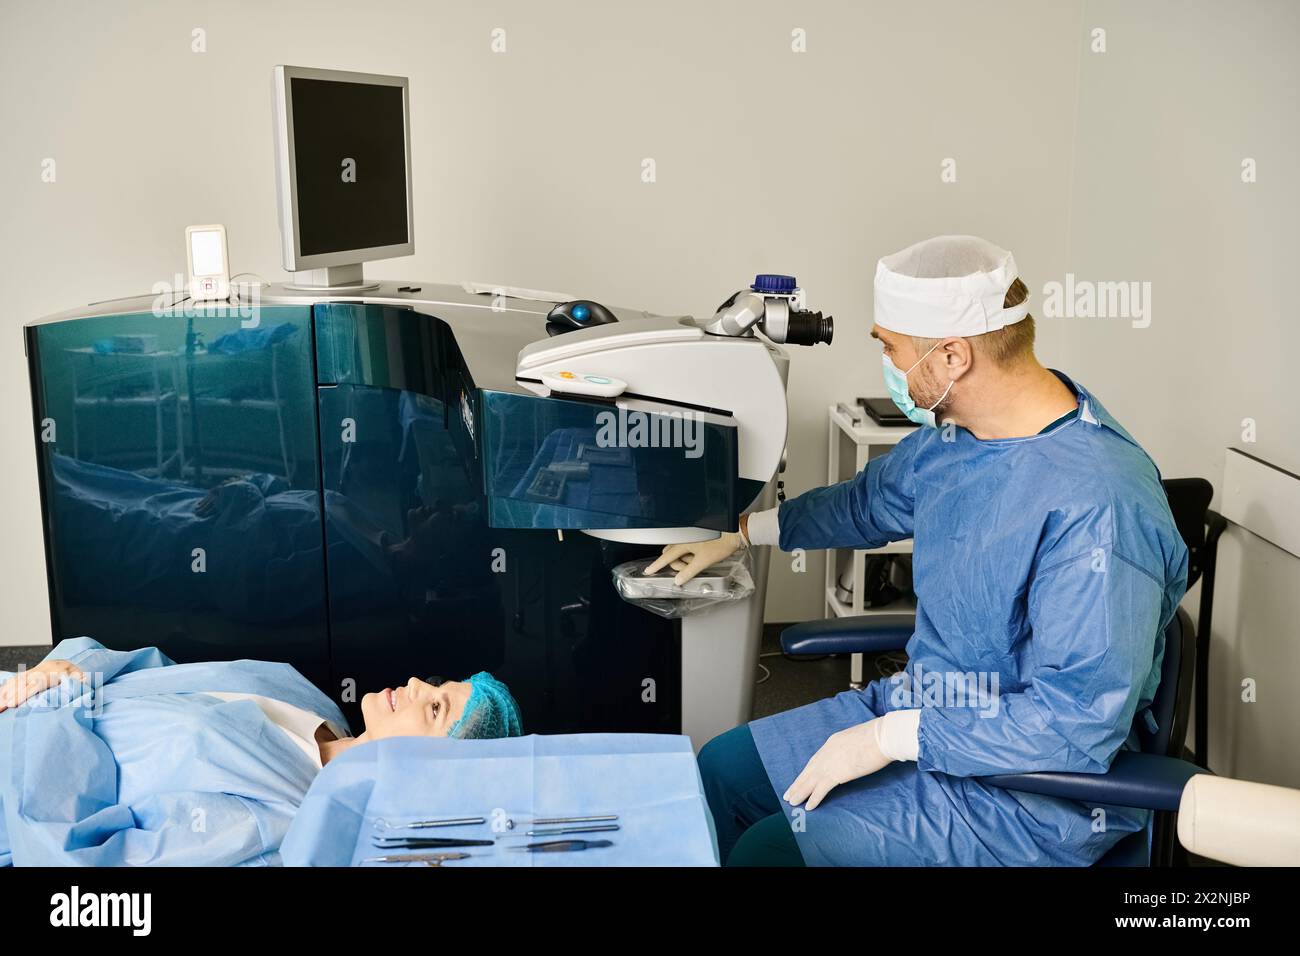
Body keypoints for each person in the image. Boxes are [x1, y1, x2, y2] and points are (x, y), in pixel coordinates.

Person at [650, 235, 1189, 866]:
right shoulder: (955, 441)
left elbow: (1074, 724)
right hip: (927, 709)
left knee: (772, 853)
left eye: (890, 348)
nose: (887, 364)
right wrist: (743, 532)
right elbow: (864, 504)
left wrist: (889, 738)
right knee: (722, 771)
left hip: (1025, 792)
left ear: (954, 355)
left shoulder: (1101, 503)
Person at [0, 637, 521, 866]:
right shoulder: (306, 698)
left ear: (425, 777)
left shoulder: (276, 824)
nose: (413, 684)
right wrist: (63, 670)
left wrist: (56, 702)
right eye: (437, 685)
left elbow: (72, 868)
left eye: (434, 709)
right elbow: (153, 675)